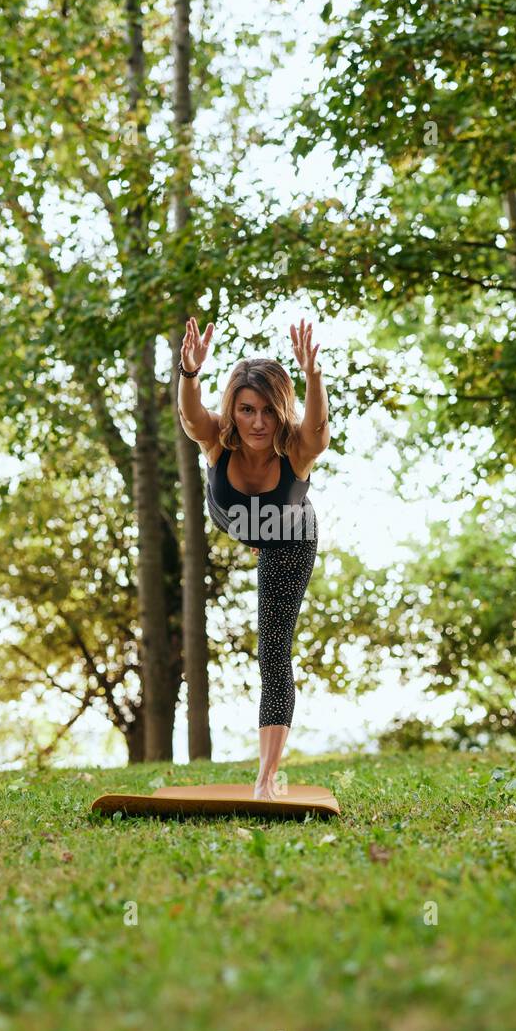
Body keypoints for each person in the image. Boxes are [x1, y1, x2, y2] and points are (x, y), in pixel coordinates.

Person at [177, 315, 330, 800]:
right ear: (234, 410)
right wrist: (189, 373)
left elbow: (319, 427)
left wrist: (313, 376)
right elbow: (190, 417)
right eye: (246, 410)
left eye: (267, 410)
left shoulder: (297, 448)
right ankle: (264, 777)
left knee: (273, 651)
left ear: (280, 410)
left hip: (289, 538)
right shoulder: (217, 439)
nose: (258, 422)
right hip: (241, 525)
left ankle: (266, 780)